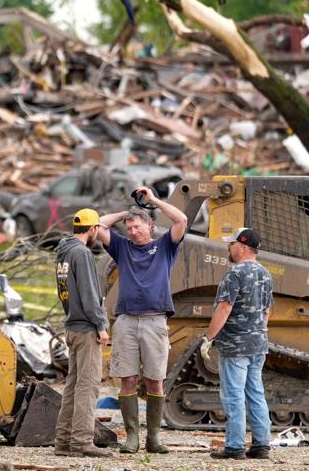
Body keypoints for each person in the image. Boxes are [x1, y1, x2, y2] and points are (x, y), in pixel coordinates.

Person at [97, 186, 188, 455]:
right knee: (127, 378)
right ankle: (132, 437)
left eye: (137, 226)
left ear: (150, 225)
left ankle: (154, 438)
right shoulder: (122, 248)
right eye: (129, 228)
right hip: (126, 321)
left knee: (154, 380)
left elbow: (181, 220)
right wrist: (127, 212)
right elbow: (98, 224)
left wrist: (153, 201)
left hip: (154, 321)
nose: (133, 232)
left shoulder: (165, 246)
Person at [202, 227, 274, 460]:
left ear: (242, 247)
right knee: (255, 393)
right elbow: (267, 310)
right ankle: (261, 445)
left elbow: (224, 308)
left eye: (231, 244)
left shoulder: (234, 274)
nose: (229, 247)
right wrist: (256, 332)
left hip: (235, 345)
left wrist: (209, 338)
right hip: (258, 344)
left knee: (234, 396)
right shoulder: (265, 274)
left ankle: (234, 447)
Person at [53, 209, 113, 458]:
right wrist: (101, 325)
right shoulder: (82, 253)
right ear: (92, 229)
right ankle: (81, 442)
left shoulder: (64, 252)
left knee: (73, 386)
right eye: (97, 228)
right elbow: (89, 294)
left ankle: (63, 441)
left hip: (72, 326)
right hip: (86, 329)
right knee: (88, 387)